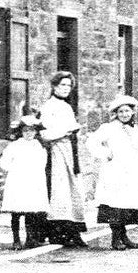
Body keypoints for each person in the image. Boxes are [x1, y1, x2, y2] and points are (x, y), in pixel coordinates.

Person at [88, 95, 138, 251]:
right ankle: (115, 239)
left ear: (132, 112)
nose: (124, 114)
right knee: (115, 205)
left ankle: (124, 236)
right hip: (115, 171)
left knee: (127, 206)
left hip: (132, 173)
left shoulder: (137, 130)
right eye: (121, 111)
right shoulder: (108, 128)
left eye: (127, 111)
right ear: (116, 113)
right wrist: (105, 153)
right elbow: (91, 142)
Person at [39, 71, 88, 248]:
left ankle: (73, 231)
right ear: (54, 86)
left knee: (74, 191)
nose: (66, 89)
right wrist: (66, 131)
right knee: (60, 193)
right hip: (56, 151)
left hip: (70, 151)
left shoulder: (66, 107)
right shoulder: (48, 107)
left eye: (68, 86)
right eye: (62, 85)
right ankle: (59, 233)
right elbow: (44, 134)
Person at [0, 114, 50, 249]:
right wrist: (14, 170)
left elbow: (42, 163)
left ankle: (30, 238)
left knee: (30, 212)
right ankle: (16, 240)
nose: (29, 133)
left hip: (33, 181)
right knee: (16, 212)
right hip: (18, 181)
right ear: (21, 132)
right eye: (26, 130)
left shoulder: (39, 146)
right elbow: (4, 162)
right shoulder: (15, 146)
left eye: (32, 130)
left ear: (36, 131)